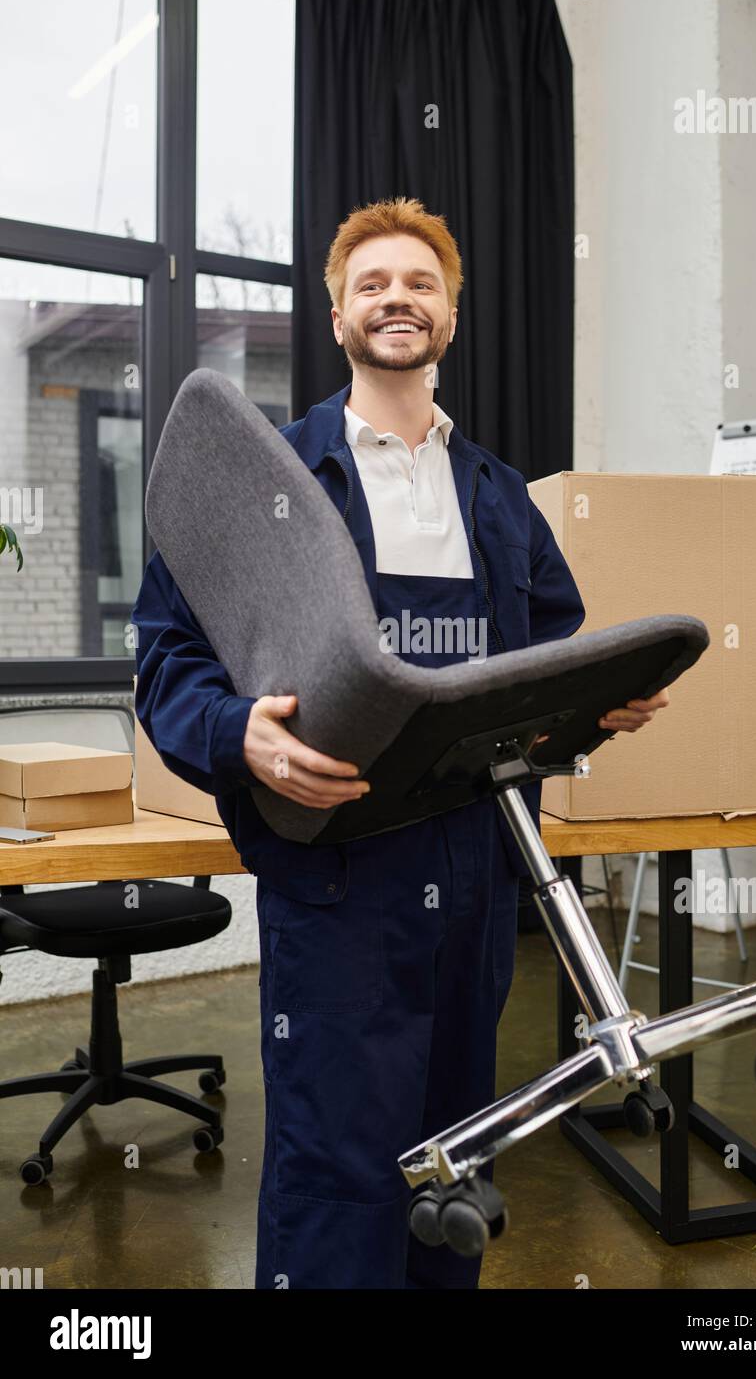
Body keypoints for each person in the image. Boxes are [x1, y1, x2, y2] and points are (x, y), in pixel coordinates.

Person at [132, 197, 669, 1289]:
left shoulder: (499, 497)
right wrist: (243, 738)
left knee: (454, 1153)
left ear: (449, 317)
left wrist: (588, 714)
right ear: (336, 317)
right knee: (340, 1168)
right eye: (371, 283)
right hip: (333, 873)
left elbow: (548, 656)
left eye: (419, 283)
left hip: (472, 872)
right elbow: (164, 660)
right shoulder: (266, 485)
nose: (396, 298)